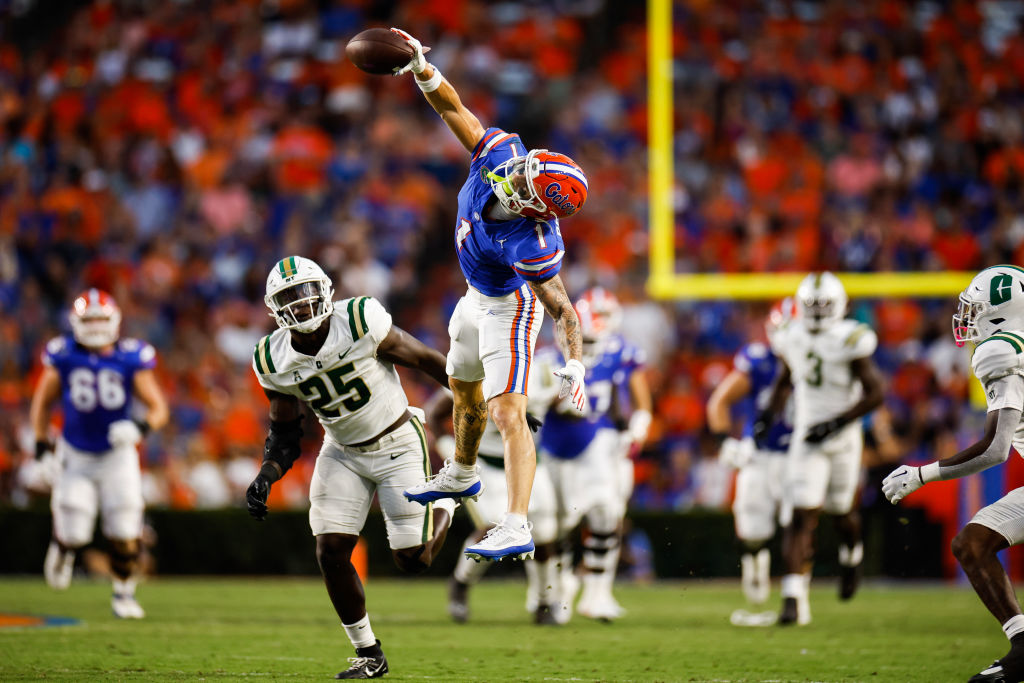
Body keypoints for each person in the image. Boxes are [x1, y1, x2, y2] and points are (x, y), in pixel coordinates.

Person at [391, 28, 590, 562]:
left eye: (526, 183)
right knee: (462, 389)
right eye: (526, 168)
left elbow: (562, 309)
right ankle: (461, 472)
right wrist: (422, 69)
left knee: (508, 413)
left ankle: (516, 524)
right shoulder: (501, 155)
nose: (516, 175)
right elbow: (453, 109)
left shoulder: (534, 241)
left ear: (538, 209)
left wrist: (574, 362)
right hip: (473, 297)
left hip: (510, 308)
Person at [245, 255, 456, 680]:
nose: (301, 305)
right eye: (290, 298)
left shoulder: (359, 319)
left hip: (397, 440)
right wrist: (266, 475)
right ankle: (369, 653)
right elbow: (285, 434)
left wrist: (484, 401)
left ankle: (448, 499)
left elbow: (425, 359)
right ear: (274, 309)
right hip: (341, 450)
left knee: (413, 560)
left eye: (306, 294)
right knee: (330, 550)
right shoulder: (271, 357)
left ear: (325, 290)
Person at [882, 265, 1024, 683]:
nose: (968, 317)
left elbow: (995, 448)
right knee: (972, 544)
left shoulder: (1001, 350)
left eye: (977, 308)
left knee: (972, 544)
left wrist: (922, 474)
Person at [30, 288, 169, 619]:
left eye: (100, 319)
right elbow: (42, 403)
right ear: (75, 322)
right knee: (75, 527)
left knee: (125, 526)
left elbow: (158, 408)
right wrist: (41, 447)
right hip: (75, 452)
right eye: (88, 320)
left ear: (114, 321)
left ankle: (124, 593)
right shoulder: (63, 354)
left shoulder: (131, 356)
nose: (94, 327)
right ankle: (63, 546)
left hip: (117, 454)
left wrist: (139, 428)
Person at [756, 272, 884, 626]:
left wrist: (834, 424)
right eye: (811, 305)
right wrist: (767, 414)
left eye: (823, 305)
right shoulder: (790, 335)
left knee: (842, 512)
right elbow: (785, 380)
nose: (816, 312)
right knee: (801, 514)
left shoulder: (850, 338)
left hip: (843, 440)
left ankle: (852, 554)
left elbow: (876, 393)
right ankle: (792, 598)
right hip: (807, 436)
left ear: (839, 306)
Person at [540, 288, 651, 621]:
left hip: (598, 442)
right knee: (559, 523)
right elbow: (537, 405)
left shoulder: (618, 351)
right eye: (580, 340)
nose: (585, 347)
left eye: (590, 341)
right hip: (555, 447)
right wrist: (562, 397)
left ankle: (597, 593)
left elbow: (630, 399)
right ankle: (558, 590)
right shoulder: (546, 359)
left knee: (606, 512)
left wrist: (634, 429)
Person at [430, 359, 563, 625]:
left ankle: (544, 601)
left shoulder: (545, 372)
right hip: (488, 464)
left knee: (544, 534)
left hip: (530, 463)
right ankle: (461, 582)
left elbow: (558, 406)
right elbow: (434, 413)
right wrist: (446, 444)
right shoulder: (475, 369)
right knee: (492, 528)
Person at [706, 299, 796, 627]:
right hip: (760, 454)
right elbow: (719, 402)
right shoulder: (759, 361)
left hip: (802, 455)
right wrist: (724, 443)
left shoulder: (822, 364)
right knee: (752, 529)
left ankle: (795, 597)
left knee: (799, 525)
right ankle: (758, 580)